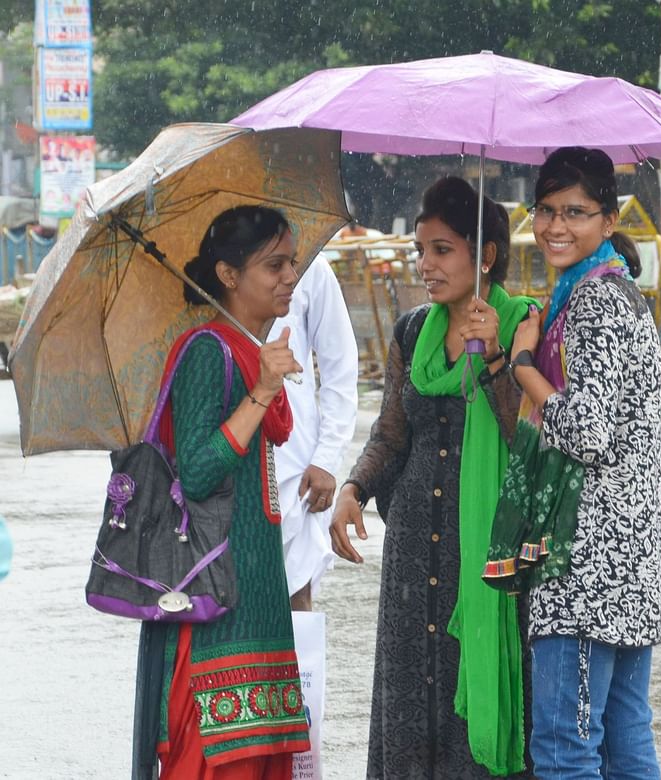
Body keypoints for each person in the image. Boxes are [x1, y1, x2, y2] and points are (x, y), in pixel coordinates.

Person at [330, 176, 536, 778]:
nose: (426, 264)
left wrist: (497, 356)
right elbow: (393, 432)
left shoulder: (524, 324)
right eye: (422, 249)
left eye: (442, 249)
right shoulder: (412, 331)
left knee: (474, 696)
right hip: (415, 544)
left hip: (486, 551)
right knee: (410, 698)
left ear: (486, 255)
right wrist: (354, 489)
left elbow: (528, 437)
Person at [484, 147, 661, 778]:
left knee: (565, 747)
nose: (555, 227)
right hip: (629, 558)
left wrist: (523, 365)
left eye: (576, 212)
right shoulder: (612, 293)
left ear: (609, 219)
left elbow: (586, 433)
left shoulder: (594, 303)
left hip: (588, 565)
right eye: (545, 210)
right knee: (624, 740)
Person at [132, 206, 310, 780]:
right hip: (213, 613)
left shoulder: (250, 349)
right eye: (274, 265)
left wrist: (266, 379)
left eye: (293, 264)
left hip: (256, 594)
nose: (290, 277)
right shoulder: (207, 351)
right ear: (229, 276)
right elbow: (198, 474)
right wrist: (261, 390)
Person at [268, 253, 359, 611]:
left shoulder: (310, 266)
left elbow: (340, 368)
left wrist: (325, 459)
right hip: (228, 462)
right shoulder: (207, 259)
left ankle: (296, 671)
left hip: (296, 468)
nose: (287, 276)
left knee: (296, 596)